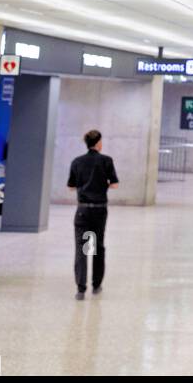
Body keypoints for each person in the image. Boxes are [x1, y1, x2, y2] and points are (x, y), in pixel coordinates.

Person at [67, 128, 118, 300]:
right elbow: (115, 184)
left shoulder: (77, 162)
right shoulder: (106, 161)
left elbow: (71, 186)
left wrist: (84, 186)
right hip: (99, 209)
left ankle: (81, 289)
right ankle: (96, 285)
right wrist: (102, 185)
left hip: (82, 210)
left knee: (82, 248)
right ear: (98, 143)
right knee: (97, 247)